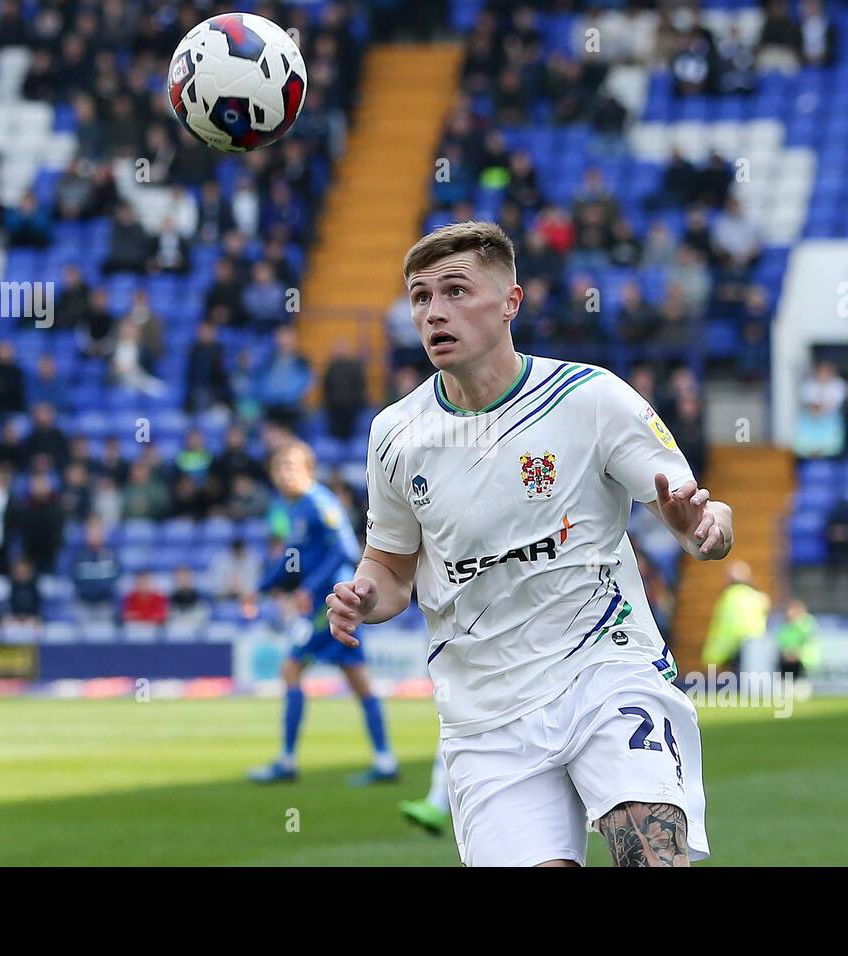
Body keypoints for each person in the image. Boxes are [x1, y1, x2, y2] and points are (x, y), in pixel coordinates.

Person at [324, 222, 733, 867]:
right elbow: (392, 565)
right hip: (485, 712)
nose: (434, 312)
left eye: (456, 291)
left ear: (512, 301)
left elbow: (699, 515)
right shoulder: (396, 434)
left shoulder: (590, 399)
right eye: (420, 297)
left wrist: (704, 531)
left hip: (603, 667)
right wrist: (364, 595)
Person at [244, 441, 399, 786]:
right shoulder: (296, 509)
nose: (284, 474)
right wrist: (262, 586)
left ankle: (287, 761)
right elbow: (291, 556)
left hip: (331, 602)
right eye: (279, 467)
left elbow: (345, 550)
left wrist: (309, 589)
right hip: (327, 602)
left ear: (308, 470)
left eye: (292, 466)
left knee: (290, 668)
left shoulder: (319, 503)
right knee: (357, 679)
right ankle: (385, 760)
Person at [701, 561, 769, 679]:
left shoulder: (729, 595)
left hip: (732, 642)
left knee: (737, 675)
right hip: (753, 639)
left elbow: (723, 622)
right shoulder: (755, 594)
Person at [775, 599, 819, 700]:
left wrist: (796, 651)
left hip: (803, 657)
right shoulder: (784, 626)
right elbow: (781, 641)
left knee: (799, 671)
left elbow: (807, 640)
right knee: (784, 664)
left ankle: (800, 688)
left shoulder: (807, 623)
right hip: (788, 656)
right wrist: (787, 652)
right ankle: (785, 687)